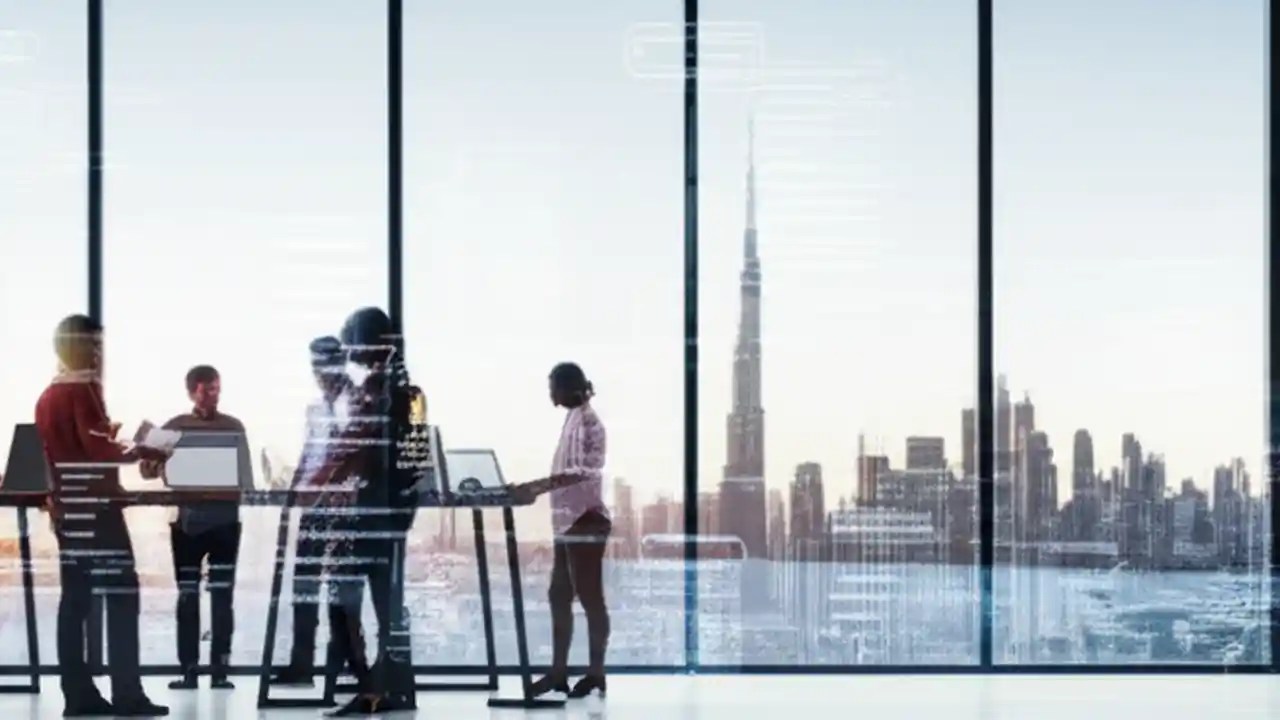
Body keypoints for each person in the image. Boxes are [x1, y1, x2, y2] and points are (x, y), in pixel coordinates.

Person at [33, 314, 170, 717]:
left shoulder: (47, 395)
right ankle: (128, 694)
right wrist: (145, 449)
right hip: (98, 511)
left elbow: (71, 450)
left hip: (70, 510)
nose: (97, 353)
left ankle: (78, 694)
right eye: (92, 345)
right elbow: (99, 452)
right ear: (74, 347)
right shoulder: (83, 389)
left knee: (74, 601)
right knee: (123, 596)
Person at [316, 307, 421, 716]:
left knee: (344, 602)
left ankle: (369, 689)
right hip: (393, 515)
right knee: (387, 605)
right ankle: (390, 688)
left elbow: (352, 449)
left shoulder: (374, 394)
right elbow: (416, 459)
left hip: (367, 513)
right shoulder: (410, 394)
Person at [140, 365, 251, 690]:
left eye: (216, 388)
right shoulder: (174, 428)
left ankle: (220, 669)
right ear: (191, 392)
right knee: (187, 598)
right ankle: (189, 669)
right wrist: (152, 458)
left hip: (225, 522)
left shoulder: (234, 427)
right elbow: (149, 472)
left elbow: (245, 477)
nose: (212, 396)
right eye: (205, 390)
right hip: (188, 523)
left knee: (222, 598)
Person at [513, 362, 612, 700]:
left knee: (590, 597)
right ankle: (559, 672)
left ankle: (596, 672)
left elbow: (582, 472)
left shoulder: (589, 422)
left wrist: (537, 486)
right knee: (559, 595)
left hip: (586, 519)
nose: (551, 394)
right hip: (569, 523)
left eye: (553, 386)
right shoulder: (573, 418)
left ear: (569, 387)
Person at [270, 336, 353, 686]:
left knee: (340, 588)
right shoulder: (315, 409)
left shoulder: (356, 403)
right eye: (316, 366)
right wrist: (294, 489)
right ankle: (301, 664)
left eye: (327, 364)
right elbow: (311, 452)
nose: (320, 373)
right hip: (314, 505)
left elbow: (347, 453)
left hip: (346, 506)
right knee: (304, 583)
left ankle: (346, 661)